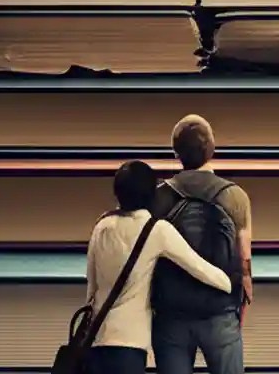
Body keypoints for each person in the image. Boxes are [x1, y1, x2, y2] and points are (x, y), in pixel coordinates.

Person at [85, 160, 232, 374]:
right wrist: (230, 283)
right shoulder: (156, 229)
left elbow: (91, 287)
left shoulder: (102, 226)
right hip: (129, 344)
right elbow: (200, 268)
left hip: (96, 340)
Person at [149, 114, 253, 374]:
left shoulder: (157, 197)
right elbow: (244, 259)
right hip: (220, 313)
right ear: (212, 149)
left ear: (176, 152)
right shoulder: (234, 196)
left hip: (171, 316)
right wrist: (242, 300)